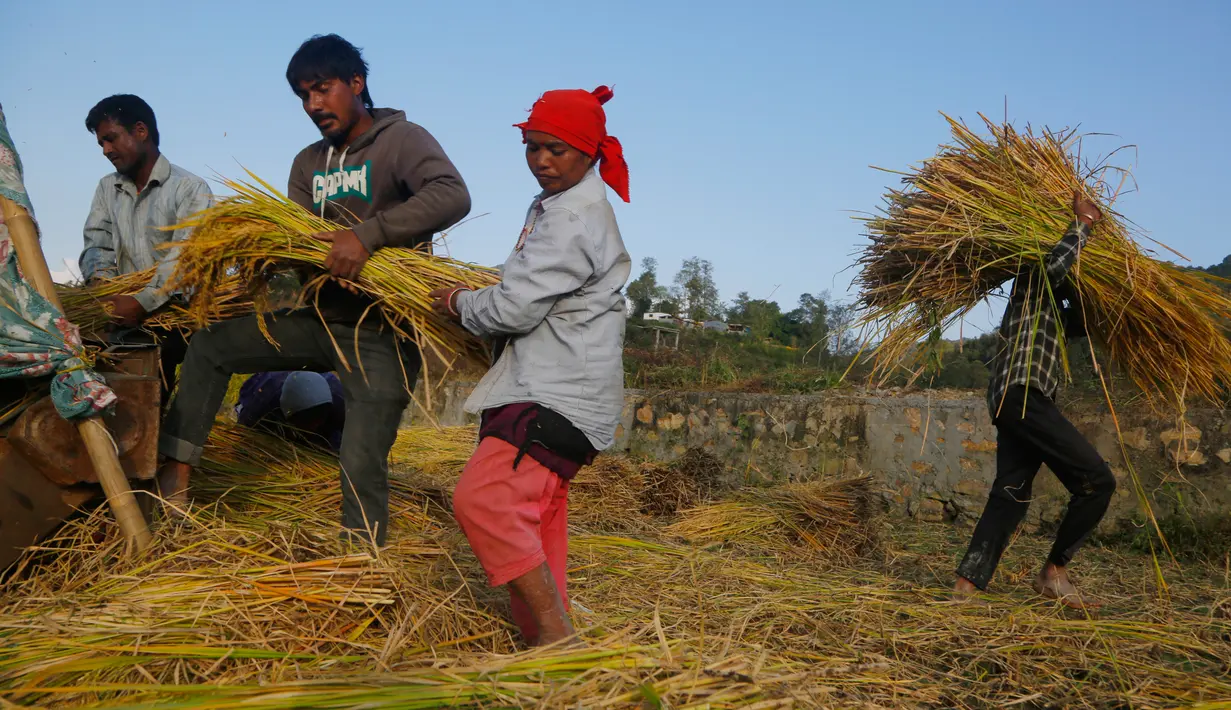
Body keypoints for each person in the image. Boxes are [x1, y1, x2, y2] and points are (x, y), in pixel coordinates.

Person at [156, 34, 471, 545]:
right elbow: (300, 241)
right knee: (211, 345)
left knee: (361, 456)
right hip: (319, 318)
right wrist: (266, 257)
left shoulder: (403, 140)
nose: (313, 105)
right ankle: (174, 483)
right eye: (303, 95)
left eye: (322, 89)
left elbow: (452, 194)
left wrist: (367, 237)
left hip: (381, 330)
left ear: (356, 83)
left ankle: (358, 561)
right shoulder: (308, 162)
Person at [430, 85, 631, 646]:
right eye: (532, 147)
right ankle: (549, 659)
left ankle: (555, 639)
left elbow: (514, 306)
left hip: (555, 395)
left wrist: (455, 302)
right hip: (556, 390)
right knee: (537, 521)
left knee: (484, 499)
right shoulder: (560, 206)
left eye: (556, 150)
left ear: (589, 151)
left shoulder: (574, 217)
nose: (541, 161)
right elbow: (525, 279)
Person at [953, 192, 1116, 609]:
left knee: (1010, 493)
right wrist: (1083, 224)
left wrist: (1094, 294)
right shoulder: (1032, 278)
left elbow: (1079, 323)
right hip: (1023, 393)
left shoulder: (1052, 312)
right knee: (1097, 481)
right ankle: (1054, 572)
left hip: (1016, 400)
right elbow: (1053, 266)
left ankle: (966, 587)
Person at [81, 94, 213, 399]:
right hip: (120, 317)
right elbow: (96, 244)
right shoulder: (107, 188)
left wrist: (142, 302)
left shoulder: (189, 188)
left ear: (141, 131)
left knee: (153, 393)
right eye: (101, 143)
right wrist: (104, 288)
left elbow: (187, 258)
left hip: (176, 319)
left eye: (111, 139)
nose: (106, 150)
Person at [236, 371, 345, 453]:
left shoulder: (341, 402)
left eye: (318, 419)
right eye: (308, 422)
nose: (313, 427)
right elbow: (244, 434)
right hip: (268, 391)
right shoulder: (261, 404)